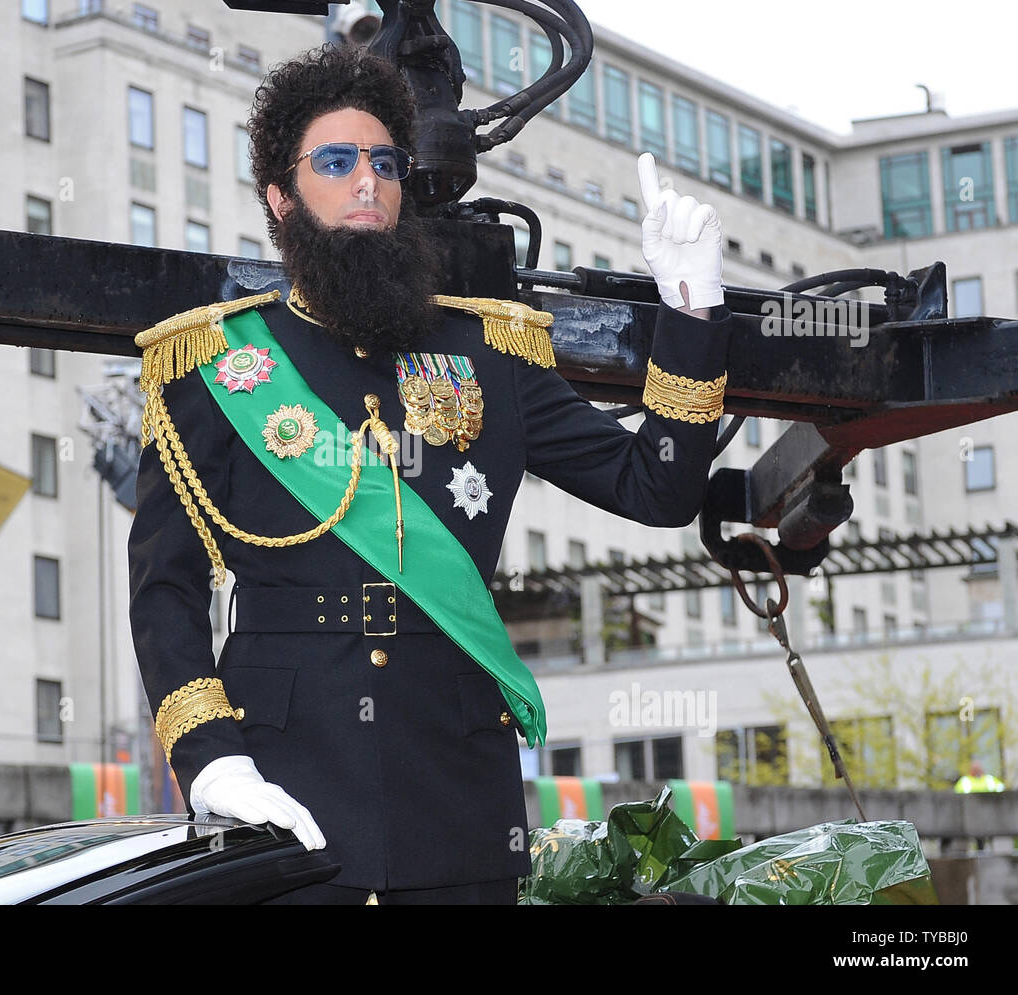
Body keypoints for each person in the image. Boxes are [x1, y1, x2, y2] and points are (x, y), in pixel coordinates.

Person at [126, 44, 731, 904]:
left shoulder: (491, 350)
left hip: (456, 787)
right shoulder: (216, 365)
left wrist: (692, 313)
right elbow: (164, 590)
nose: (366, 181)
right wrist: (210, 756)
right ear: (279, 195)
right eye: (335, 162)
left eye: (384, 162)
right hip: (277, 776)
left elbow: (659, 488)